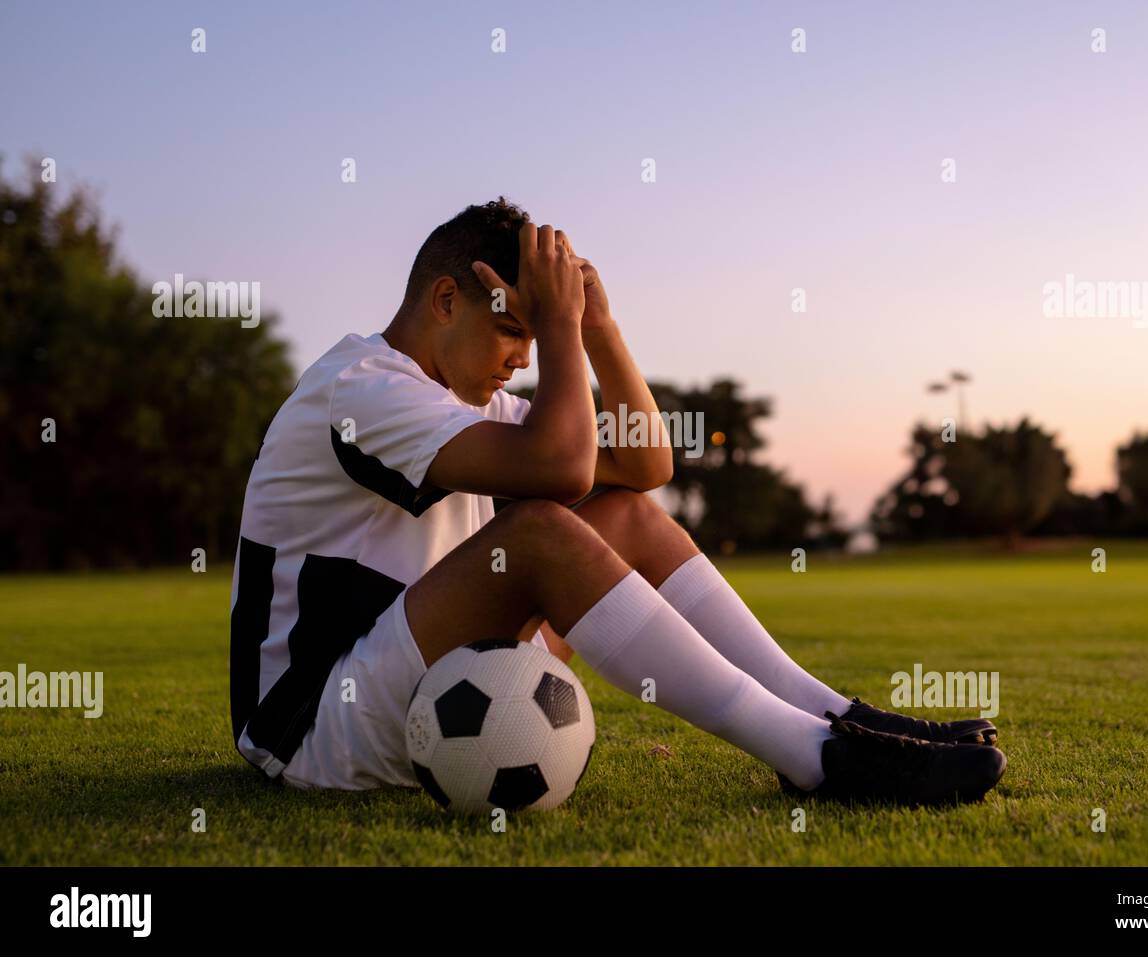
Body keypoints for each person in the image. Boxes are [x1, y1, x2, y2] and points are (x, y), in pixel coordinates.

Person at [228, 197, 1007, 805]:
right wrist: (562, 325)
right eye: (514, 333)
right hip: (317, 725)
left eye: (538, 337)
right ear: (445, 300)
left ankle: (837, 716)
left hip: (422, 671)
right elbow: (563, 470)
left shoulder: (459, 403)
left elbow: (645, 463)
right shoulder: (359, 388)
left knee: (627, 514)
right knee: (537, 532)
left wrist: (598, 326)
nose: (525, 359)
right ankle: (816, 759)